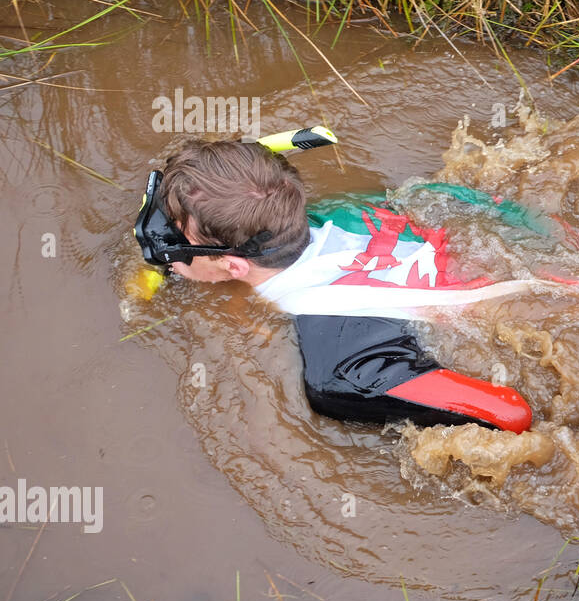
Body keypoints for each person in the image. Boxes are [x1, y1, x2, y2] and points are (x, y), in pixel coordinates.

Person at [136, 138, 537, 433]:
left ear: (235, 266)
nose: (164, 252)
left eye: (173, 241)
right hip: (530, 253)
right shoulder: (344, 208)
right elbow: (479, 204)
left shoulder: (341, 367)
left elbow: (509, 411)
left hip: (534, 308)